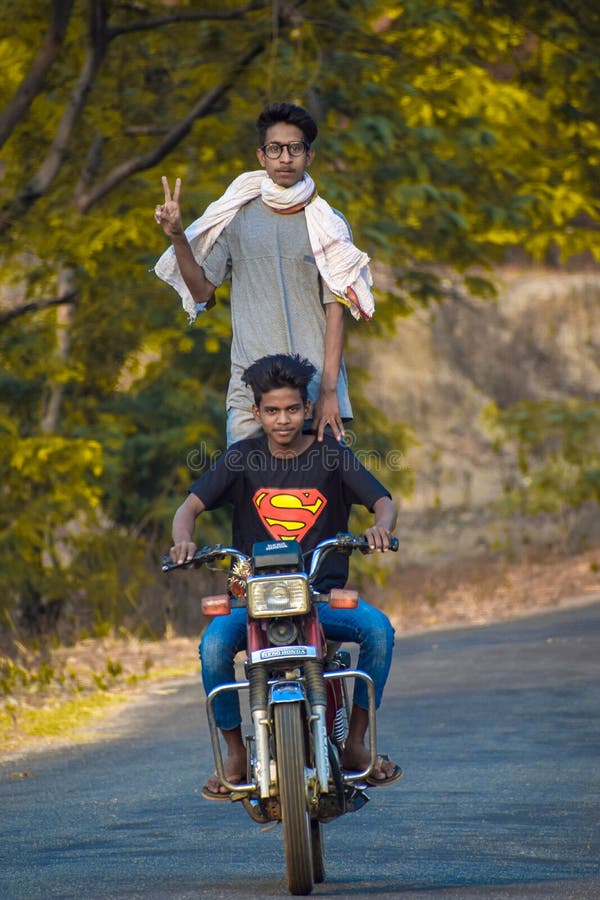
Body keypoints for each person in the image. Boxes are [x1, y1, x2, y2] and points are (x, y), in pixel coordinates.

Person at [170, 353, 401, 800]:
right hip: (251, 598)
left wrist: (380, 528)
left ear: (308, 409)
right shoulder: (241, 458)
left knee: (378, 631)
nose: (283, 420)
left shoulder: (332, 456)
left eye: (292, 409)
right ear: (256, 412)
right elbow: (190, 507)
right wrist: (184, 541)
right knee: (214, 645)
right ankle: (235, 753)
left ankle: (355, 745)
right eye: (272, 411)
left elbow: (382, 501)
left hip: (322, 595)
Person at [154, 101, 375, 446]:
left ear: (309, 156)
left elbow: (336, 311)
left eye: (295, 148)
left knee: (321, 496)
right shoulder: (236, 218)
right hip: (250, 395)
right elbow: (200, 292)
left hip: (314, 392)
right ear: (262, 156)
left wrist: (330, 390)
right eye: (275, 149)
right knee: (249, 493)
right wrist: (178, 236)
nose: (285, 158)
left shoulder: (328, 225)